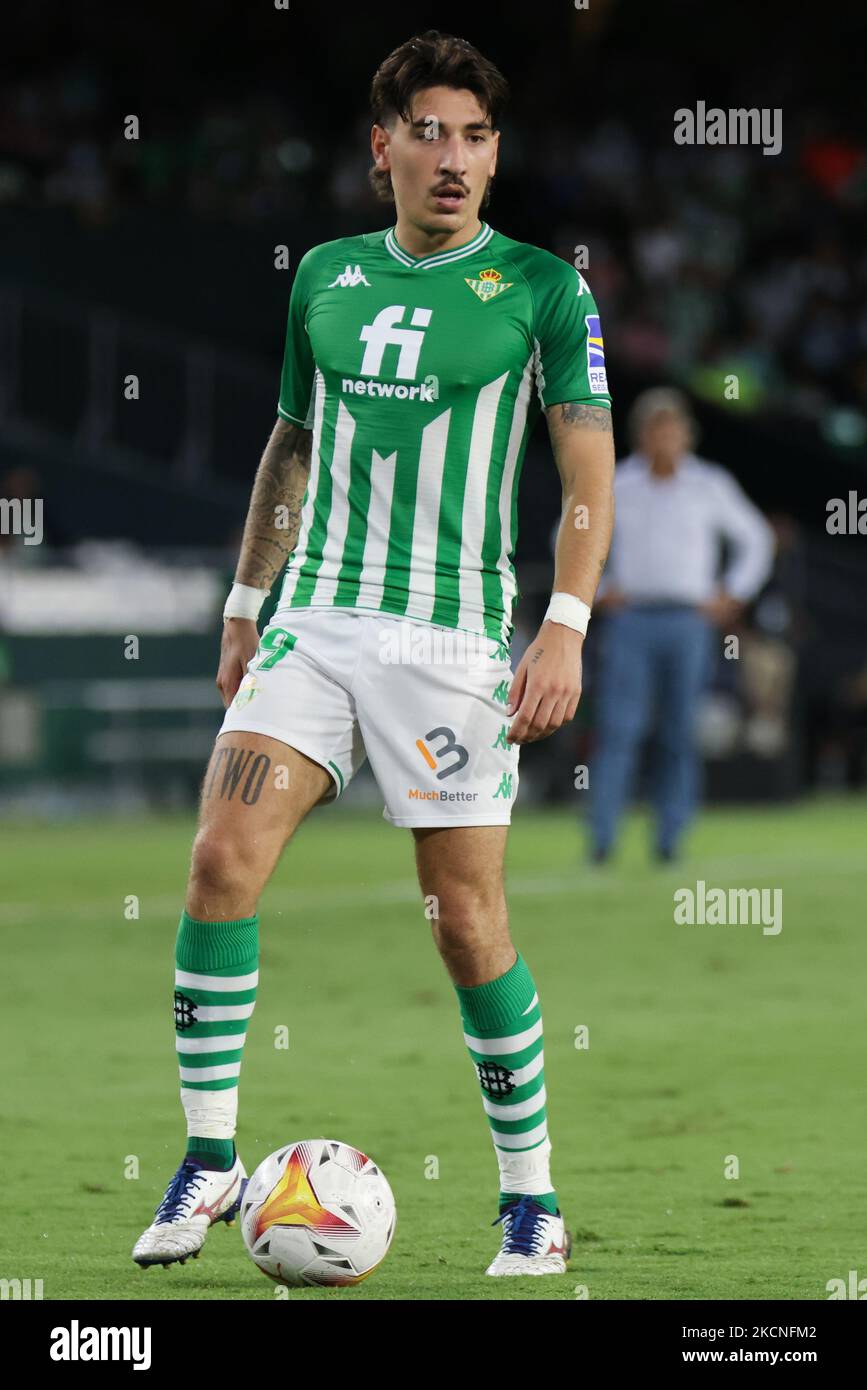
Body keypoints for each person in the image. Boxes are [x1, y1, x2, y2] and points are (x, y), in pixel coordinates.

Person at [132, 30, 615, 1278]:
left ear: (496, 155)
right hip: (316, 622)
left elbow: (585, 475)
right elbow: (291, 445)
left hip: (451, 640)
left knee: (464, 920)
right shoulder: (328, 278)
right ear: (382, 149)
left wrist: (561, 626)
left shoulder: (545, 292)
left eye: (476, 137)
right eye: (430, 133)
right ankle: (208, 1155)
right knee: (217, 861)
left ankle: (532, 1199)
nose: (453, 160)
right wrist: (247, 599)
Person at [588, 387, 774, 863]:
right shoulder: (617, 482)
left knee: (679, 731)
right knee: (619, 728)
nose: (665, 437)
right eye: (656, 428)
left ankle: (670, 839)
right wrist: (597, 587)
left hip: (688, 621)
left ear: (687, 434)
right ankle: (602, 838)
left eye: (672, 428)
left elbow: (756, 539)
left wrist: (733, 592)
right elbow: (571, 531)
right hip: (632, 619)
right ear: (641, 435)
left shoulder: (709, 484)